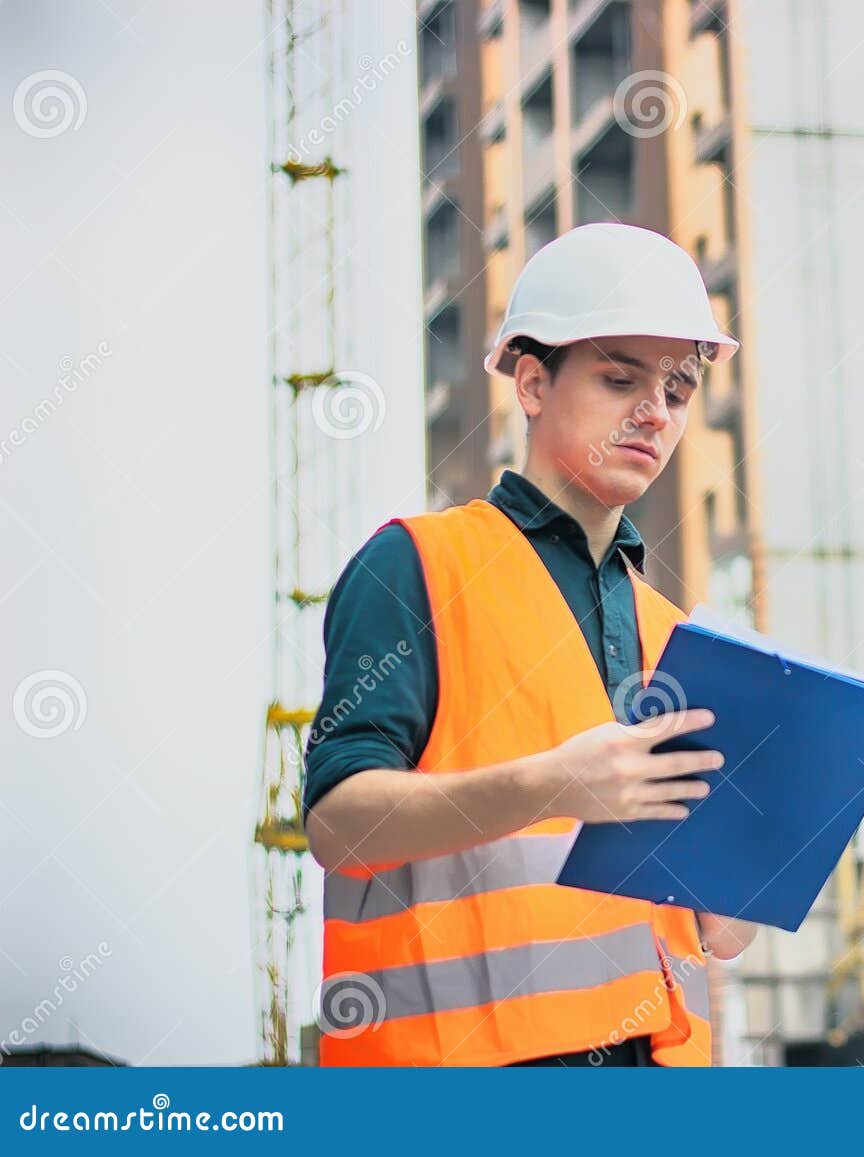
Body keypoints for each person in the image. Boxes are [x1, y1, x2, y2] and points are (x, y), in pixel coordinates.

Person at [304, 223, 759, 1067]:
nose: (655, 412)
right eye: (621, 377)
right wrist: (554, 783)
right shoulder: (417, 567)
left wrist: (771, 844)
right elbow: (338, 825)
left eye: (681, 387)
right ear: (532, 379)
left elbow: (718, 933)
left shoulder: (676, 636)